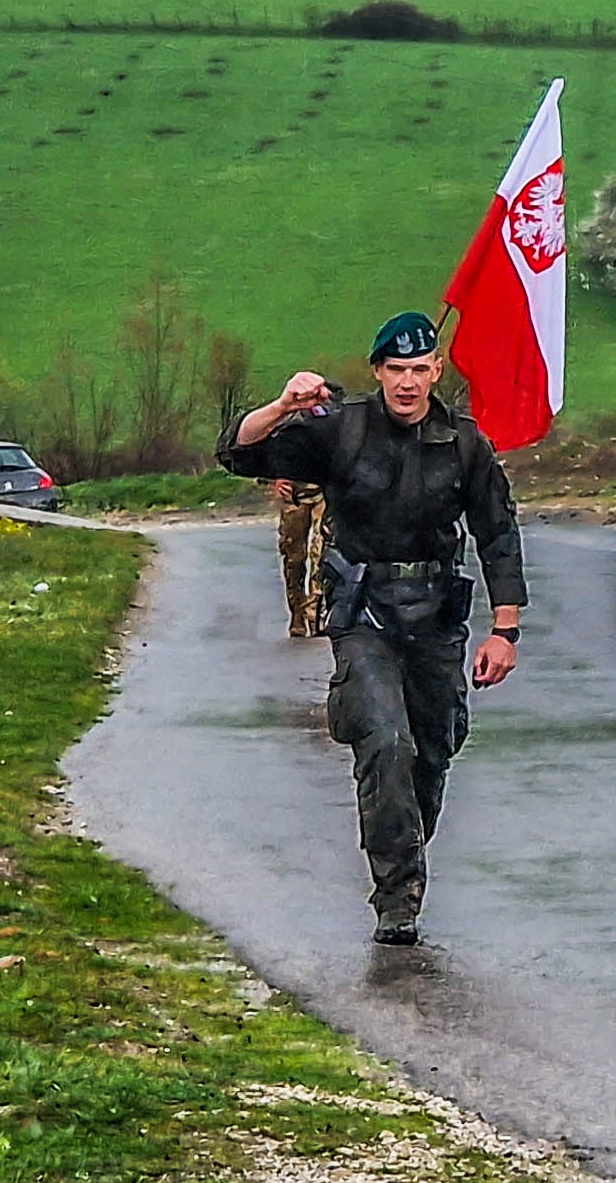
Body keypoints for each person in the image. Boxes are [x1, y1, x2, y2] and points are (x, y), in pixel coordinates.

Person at [220, 314, 525, 945]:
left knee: (433, 749)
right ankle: (397, 897)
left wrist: (505, 629)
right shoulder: (343, 430)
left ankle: (404, 850)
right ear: (377, 371)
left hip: (437, 615)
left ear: (436, 372)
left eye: (420, 370)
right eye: (396, 370)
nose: (408, 383)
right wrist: (283, 405)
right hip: (365, 613)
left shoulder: (464, 443)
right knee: (386, 742)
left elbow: (498, 534)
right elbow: (238, 453)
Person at [272, 478, 327, 637]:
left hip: (324, 490)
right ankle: (297, 613)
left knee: (322, 553)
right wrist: (273, 479)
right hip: (293, 495)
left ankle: (315, 614)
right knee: (293, 558)